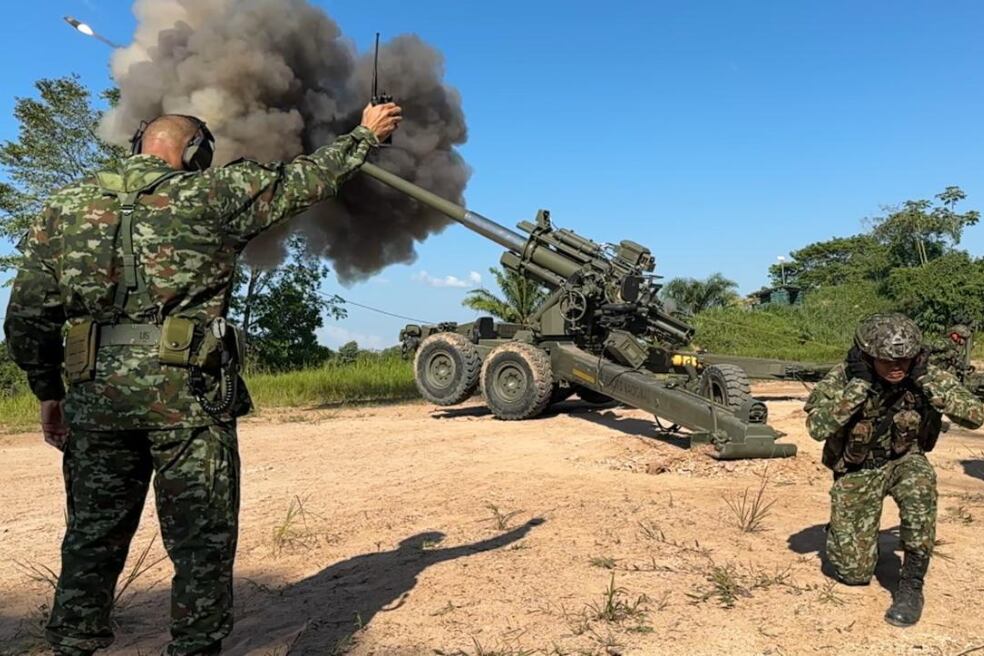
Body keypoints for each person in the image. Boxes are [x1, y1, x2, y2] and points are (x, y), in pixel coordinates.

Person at [3, 101, 402, 656]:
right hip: (187, 400)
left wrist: (49, 393)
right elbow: (308, 178)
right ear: (196, 154)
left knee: (92, 538)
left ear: (139, 144)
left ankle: (73, 644)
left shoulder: (63, 209)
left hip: (96, 402)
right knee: (200, 543)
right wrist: (363, 134)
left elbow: (25, 318)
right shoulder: (211, 195)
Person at [804, 313, 983, 627]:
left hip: (905, 460)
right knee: (853, 575)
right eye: (887, 361)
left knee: (921, 486)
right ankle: (844, 531)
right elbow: (817, 427)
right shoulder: (846, 377)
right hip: (859, 468)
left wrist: (927, 383)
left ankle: (912, 585)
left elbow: (974, 415)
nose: (897, 367)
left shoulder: (924, 374)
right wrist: (858, 387)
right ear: (867, 356)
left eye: (905, 359)